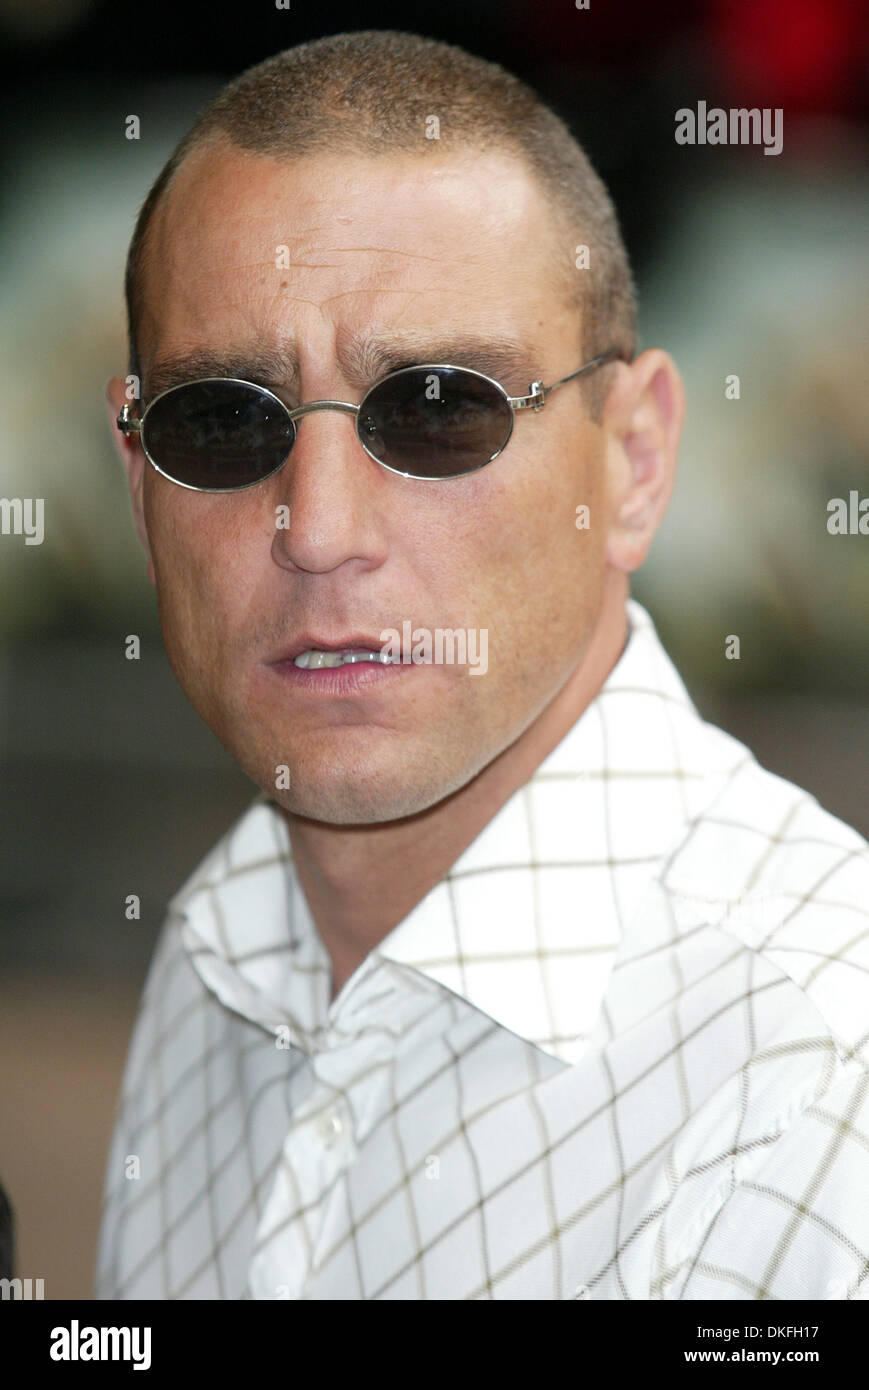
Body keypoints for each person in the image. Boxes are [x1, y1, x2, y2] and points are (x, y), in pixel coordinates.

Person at [96, 30, 869, 1300]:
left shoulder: (817, 1080)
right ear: (140, 491)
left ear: (632, 460)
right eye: (225, 421)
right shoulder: (218, 943)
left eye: (438, 408)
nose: (321, 530)